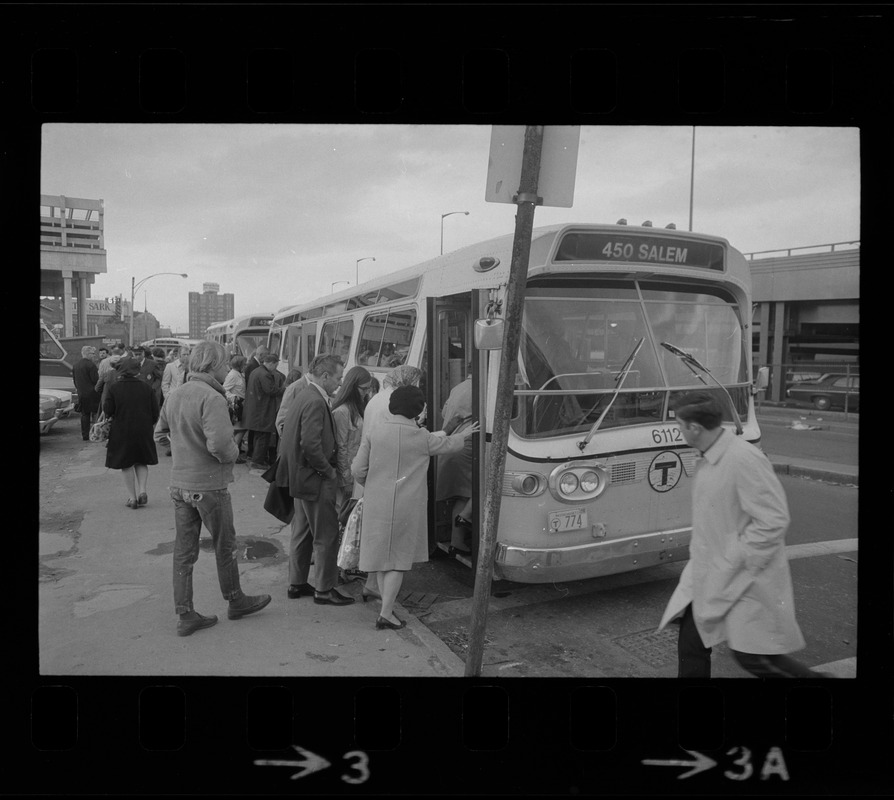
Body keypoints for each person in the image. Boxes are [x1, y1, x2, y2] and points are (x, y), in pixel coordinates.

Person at [658, 391, 829, 679]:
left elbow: (773, 520)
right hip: (710, 575)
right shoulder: (711, 456)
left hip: (742, 578)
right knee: (692, 645)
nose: (678, 430)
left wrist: (733, 561)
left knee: (755, 659)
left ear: (694, 428)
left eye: (679, 425)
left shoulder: (742, 459)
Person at [154, 341, 272, 637]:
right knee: (224, 544)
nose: (227, 367)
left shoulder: (177, 394)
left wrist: (184, 450)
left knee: (184, 551)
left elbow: (160, 434)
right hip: (209, 485)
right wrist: (233, 455)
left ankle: (185, 614)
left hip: (180, 483)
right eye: (223, 364)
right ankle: (235, 600)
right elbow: (221, 445)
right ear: (213, 364)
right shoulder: (212, 397)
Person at [352, 386, 479, 629]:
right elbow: (449, 445)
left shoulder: (375, 432)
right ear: (417, 410)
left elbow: (358, 470)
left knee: (381, 557)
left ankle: (384, 608)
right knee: (398, 560)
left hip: (378, 503)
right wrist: (465, 433)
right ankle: (386, 613)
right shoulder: (421, 438)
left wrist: (373, 484)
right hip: (407, 506)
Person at [274, 353, 352, 606]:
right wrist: (328, 472)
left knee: (302, 532)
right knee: (326, 535)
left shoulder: (304, 394)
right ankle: (324, 589)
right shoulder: (317, 401)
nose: (340, 383)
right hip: (315, 478)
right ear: (326, 376)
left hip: (299, 477)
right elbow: (310, 444)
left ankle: (296, 584)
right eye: (339, 378)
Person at [353, 364, 424, 599]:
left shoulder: (377, 399)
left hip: (374, 474)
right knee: (389, 543)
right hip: (388, 479)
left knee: (380, 539)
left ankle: (372, 585)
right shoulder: (392, 403)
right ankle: (380, 596)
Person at [104, 356, 160, 509]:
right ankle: (142, 491)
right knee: (141, 460)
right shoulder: (147, 388)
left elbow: (108, 410)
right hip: (143, 429)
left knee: (126, 464)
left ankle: (132, 498)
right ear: (137, 370)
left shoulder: (114, 388)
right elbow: (155, 412)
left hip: (121, 429)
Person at [435, 370, 475, 555]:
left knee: (463, 495)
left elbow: (444, 412)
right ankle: (466, 516)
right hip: (468, 444)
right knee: (483, 484)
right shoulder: (483, 387)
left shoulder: (457, 388)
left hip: (453, 443)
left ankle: (456, 542)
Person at [331, 366, 372, 521]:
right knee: (343, 514)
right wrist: (346, 478)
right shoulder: (342, 412)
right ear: (353, 387)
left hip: (356, 470)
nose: (367, 392)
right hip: (347, 474)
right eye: (364, 389)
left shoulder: (358, 408)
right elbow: (340, 446)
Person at [242, 353, 285, 470]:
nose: (276, 368)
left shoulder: (256, 371)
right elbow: (270, 390)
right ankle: (257, 461)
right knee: (263, 436)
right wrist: (284, 389)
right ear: (271, 363)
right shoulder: (265, 374)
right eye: (276, 365)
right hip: (262, 410)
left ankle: (255, 458)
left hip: (255, 409)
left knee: (258, 435)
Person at [72, 345, 100, 441]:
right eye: (93, 353)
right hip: (93, 393)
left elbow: (75, 381)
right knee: (96, 413)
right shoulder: (91, 365)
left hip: (82, 393)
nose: (94, 356)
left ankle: (85, 436)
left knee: (84, 414)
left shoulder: (76, 365)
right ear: (88, 354)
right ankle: (96, 433)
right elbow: (95, 380)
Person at [223, 354, 248, 462]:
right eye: (244, 364)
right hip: (237, 405)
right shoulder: (233, 375)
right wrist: (235, 397)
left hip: (240, 404)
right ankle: (234, 453)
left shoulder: (238, 374)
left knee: (239, 429)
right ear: (239, 365)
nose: (246, 365)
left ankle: (233, 452)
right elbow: (225, 390)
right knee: (240, 429)